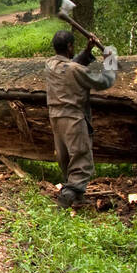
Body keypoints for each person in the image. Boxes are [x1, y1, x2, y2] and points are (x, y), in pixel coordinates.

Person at [45, 29, 117, 208]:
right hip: (73, 116)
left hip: (55, 115)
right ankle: (69, 194)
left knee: (65, 156)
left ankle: (74, 195)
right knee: (81, 157)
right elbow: (102, 81)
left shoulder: (50, 64)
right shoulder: (75, 70)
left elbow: (71, 65)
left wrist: (87, 52)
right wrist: (109, 60)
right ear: (70, 46)